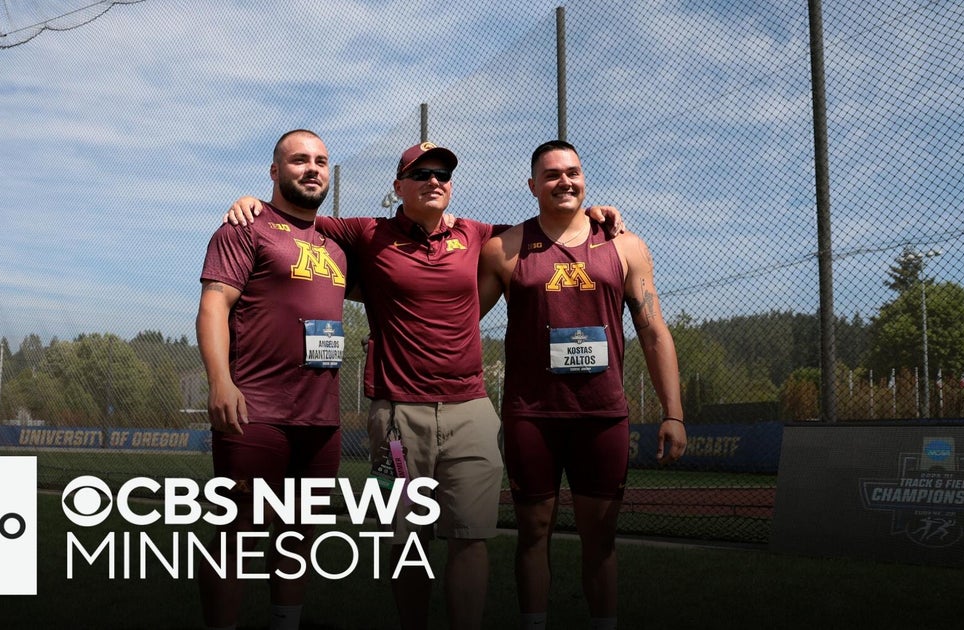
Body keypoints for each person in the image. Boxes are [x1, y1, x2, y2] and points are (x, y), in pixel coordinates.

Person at [223, 141, 623, 630]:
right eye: (421, 173)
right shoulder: (366, 232)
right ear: (398, 188)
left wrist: (593, 214)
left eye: (443, 174)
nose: (434, 180)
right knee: (405, 539)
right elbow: (292, 219)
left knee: (470, 537)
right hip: (396, 418)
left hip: (470, 412)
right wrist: (251, 203)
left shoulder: (479, 234)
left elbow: (550, 230)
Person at [477, 140, 687, 630]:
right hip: (532, 415)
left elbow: (654, 330)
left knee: (601, 536)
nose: (564, 181)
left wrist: (673, 412)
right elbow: (459, 320)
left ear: (584, 178)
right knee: (533, 531)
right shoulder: (504, 250)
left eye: (572, 172)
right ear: (532, 186)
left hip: (601, 415)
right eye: (551, 175)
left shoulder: (625, 245)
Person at [196, 129, 348, 630]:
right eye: (299, 160)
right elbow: (215, 303)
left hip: (320, 416)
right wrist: (220, 380)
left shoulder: (337, 241)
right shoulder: (245, 227)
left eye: (321, 161)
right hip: (255, 411)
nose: (312, 169)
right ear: (274, 171)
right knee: (235, 532)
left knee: (300, 532)